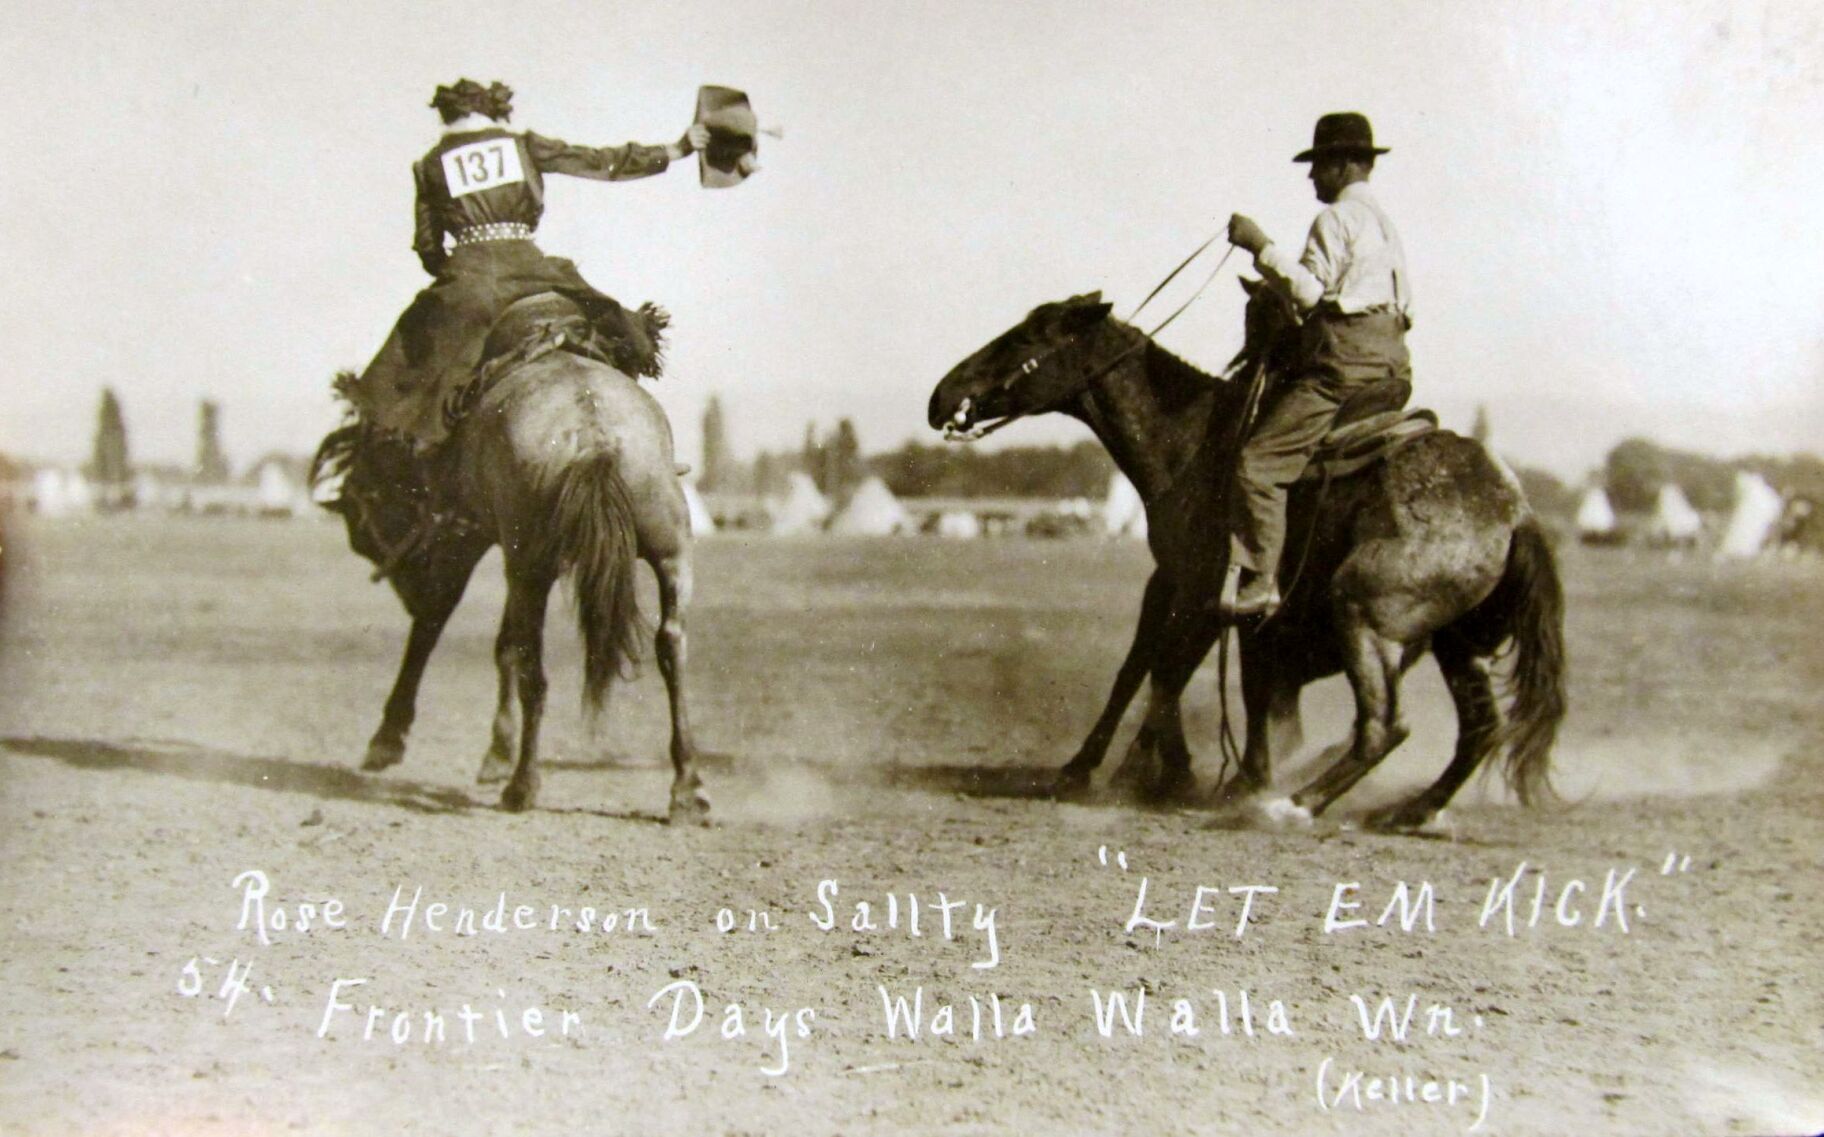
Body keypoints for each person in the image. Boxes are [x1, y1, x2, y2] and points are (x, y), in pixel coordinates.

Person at [348, 78, 710, 448]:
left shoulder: (429, 164)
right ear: (491, 110)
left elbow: (427, 245)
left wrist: (451, 274)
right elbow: (600, 162)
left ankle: (410, 467)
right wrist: (676, 149)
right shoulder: (523, 145)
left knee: (402, 386)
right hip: (537, 271)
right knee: (616, 332)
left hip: (468, 281)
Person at [1217, 112, 1414, 620]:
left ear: (1345, 166)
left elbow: (1308, 292)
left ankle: (1262, 581)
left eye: (1319, 166)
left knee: (1258, 465)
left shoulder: (1335, 220)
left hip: (1344, 362)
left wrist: (1258, 244)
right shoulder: (1387, 225)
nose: (1311, 178)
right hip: (1393, 364)